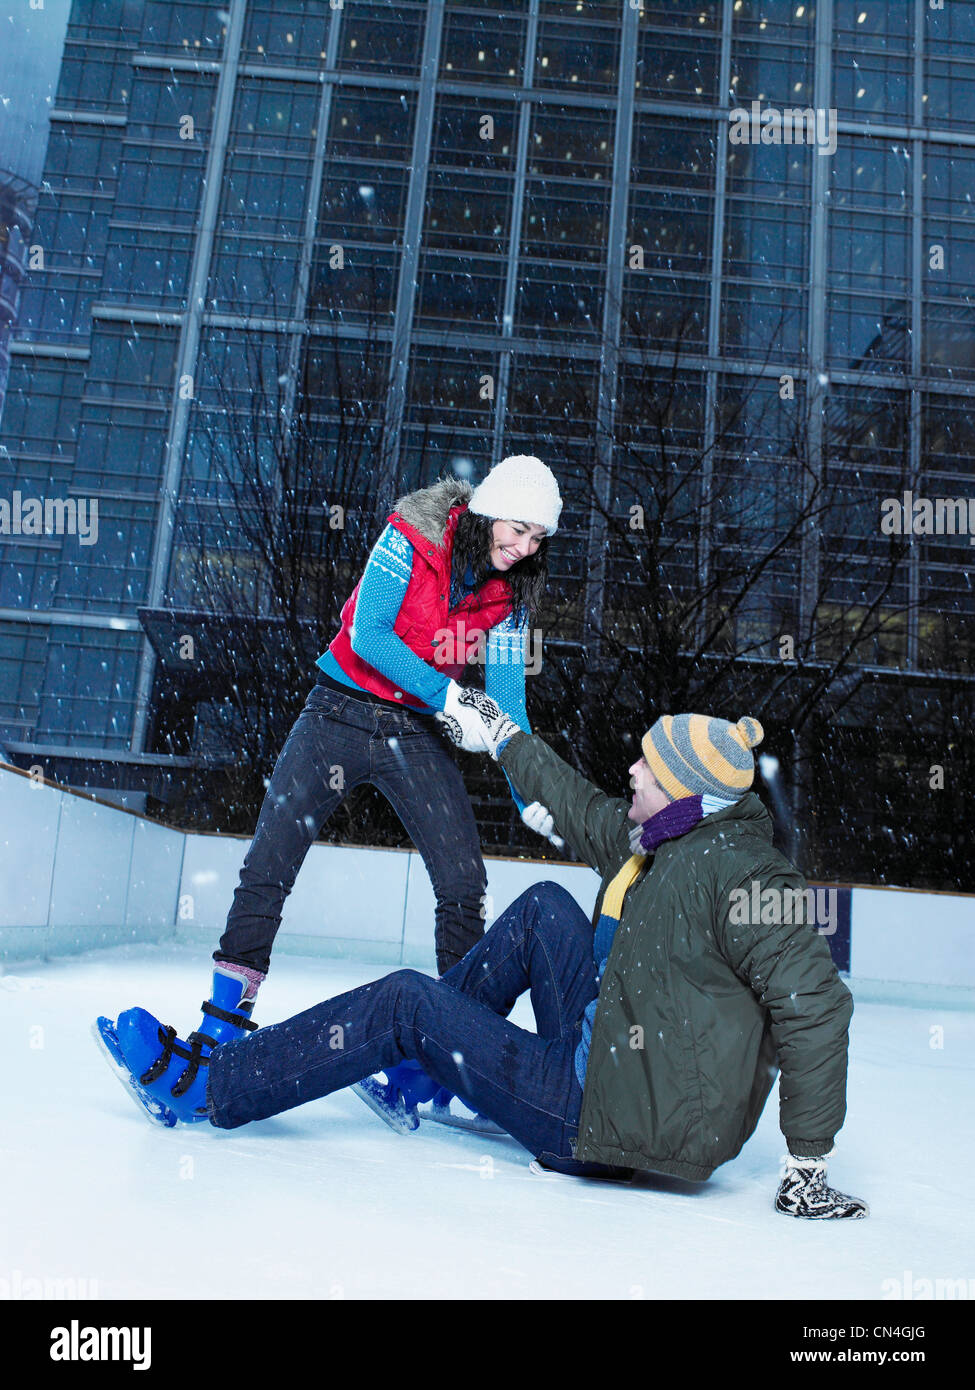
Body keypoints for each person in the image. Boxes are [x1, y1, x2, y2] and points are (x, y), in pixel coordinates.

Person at [103, 700, 868, 1220]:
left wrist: (806, 1165)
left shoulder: (747, 875)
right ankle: (413, 1076)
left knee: (405, 1000)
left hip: (603, 1122)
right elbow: (577, 806)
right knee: (544, 906)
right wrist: (502, 734)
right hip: (609, 1063)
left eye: (645, 767)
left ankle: (211, 1088)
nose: (630, 773)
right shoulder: (666, 838)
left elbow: (817, 1003)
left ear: (680, 789)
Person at [95, 455, 565, 1121]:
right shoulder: (411, 535)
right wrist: (452, 696)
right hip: (338, 710)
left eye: (538, 539)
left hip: (415, 734)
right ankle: (223, 1031)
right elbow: (368, 636)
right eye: (516, 529)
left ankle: (447, 1059)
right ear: (487, 511)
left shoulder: (511, 600)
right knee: (270, 864)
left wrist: (533, 796)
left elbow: (510, 710)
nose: (522, 549)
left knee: (462, 883)